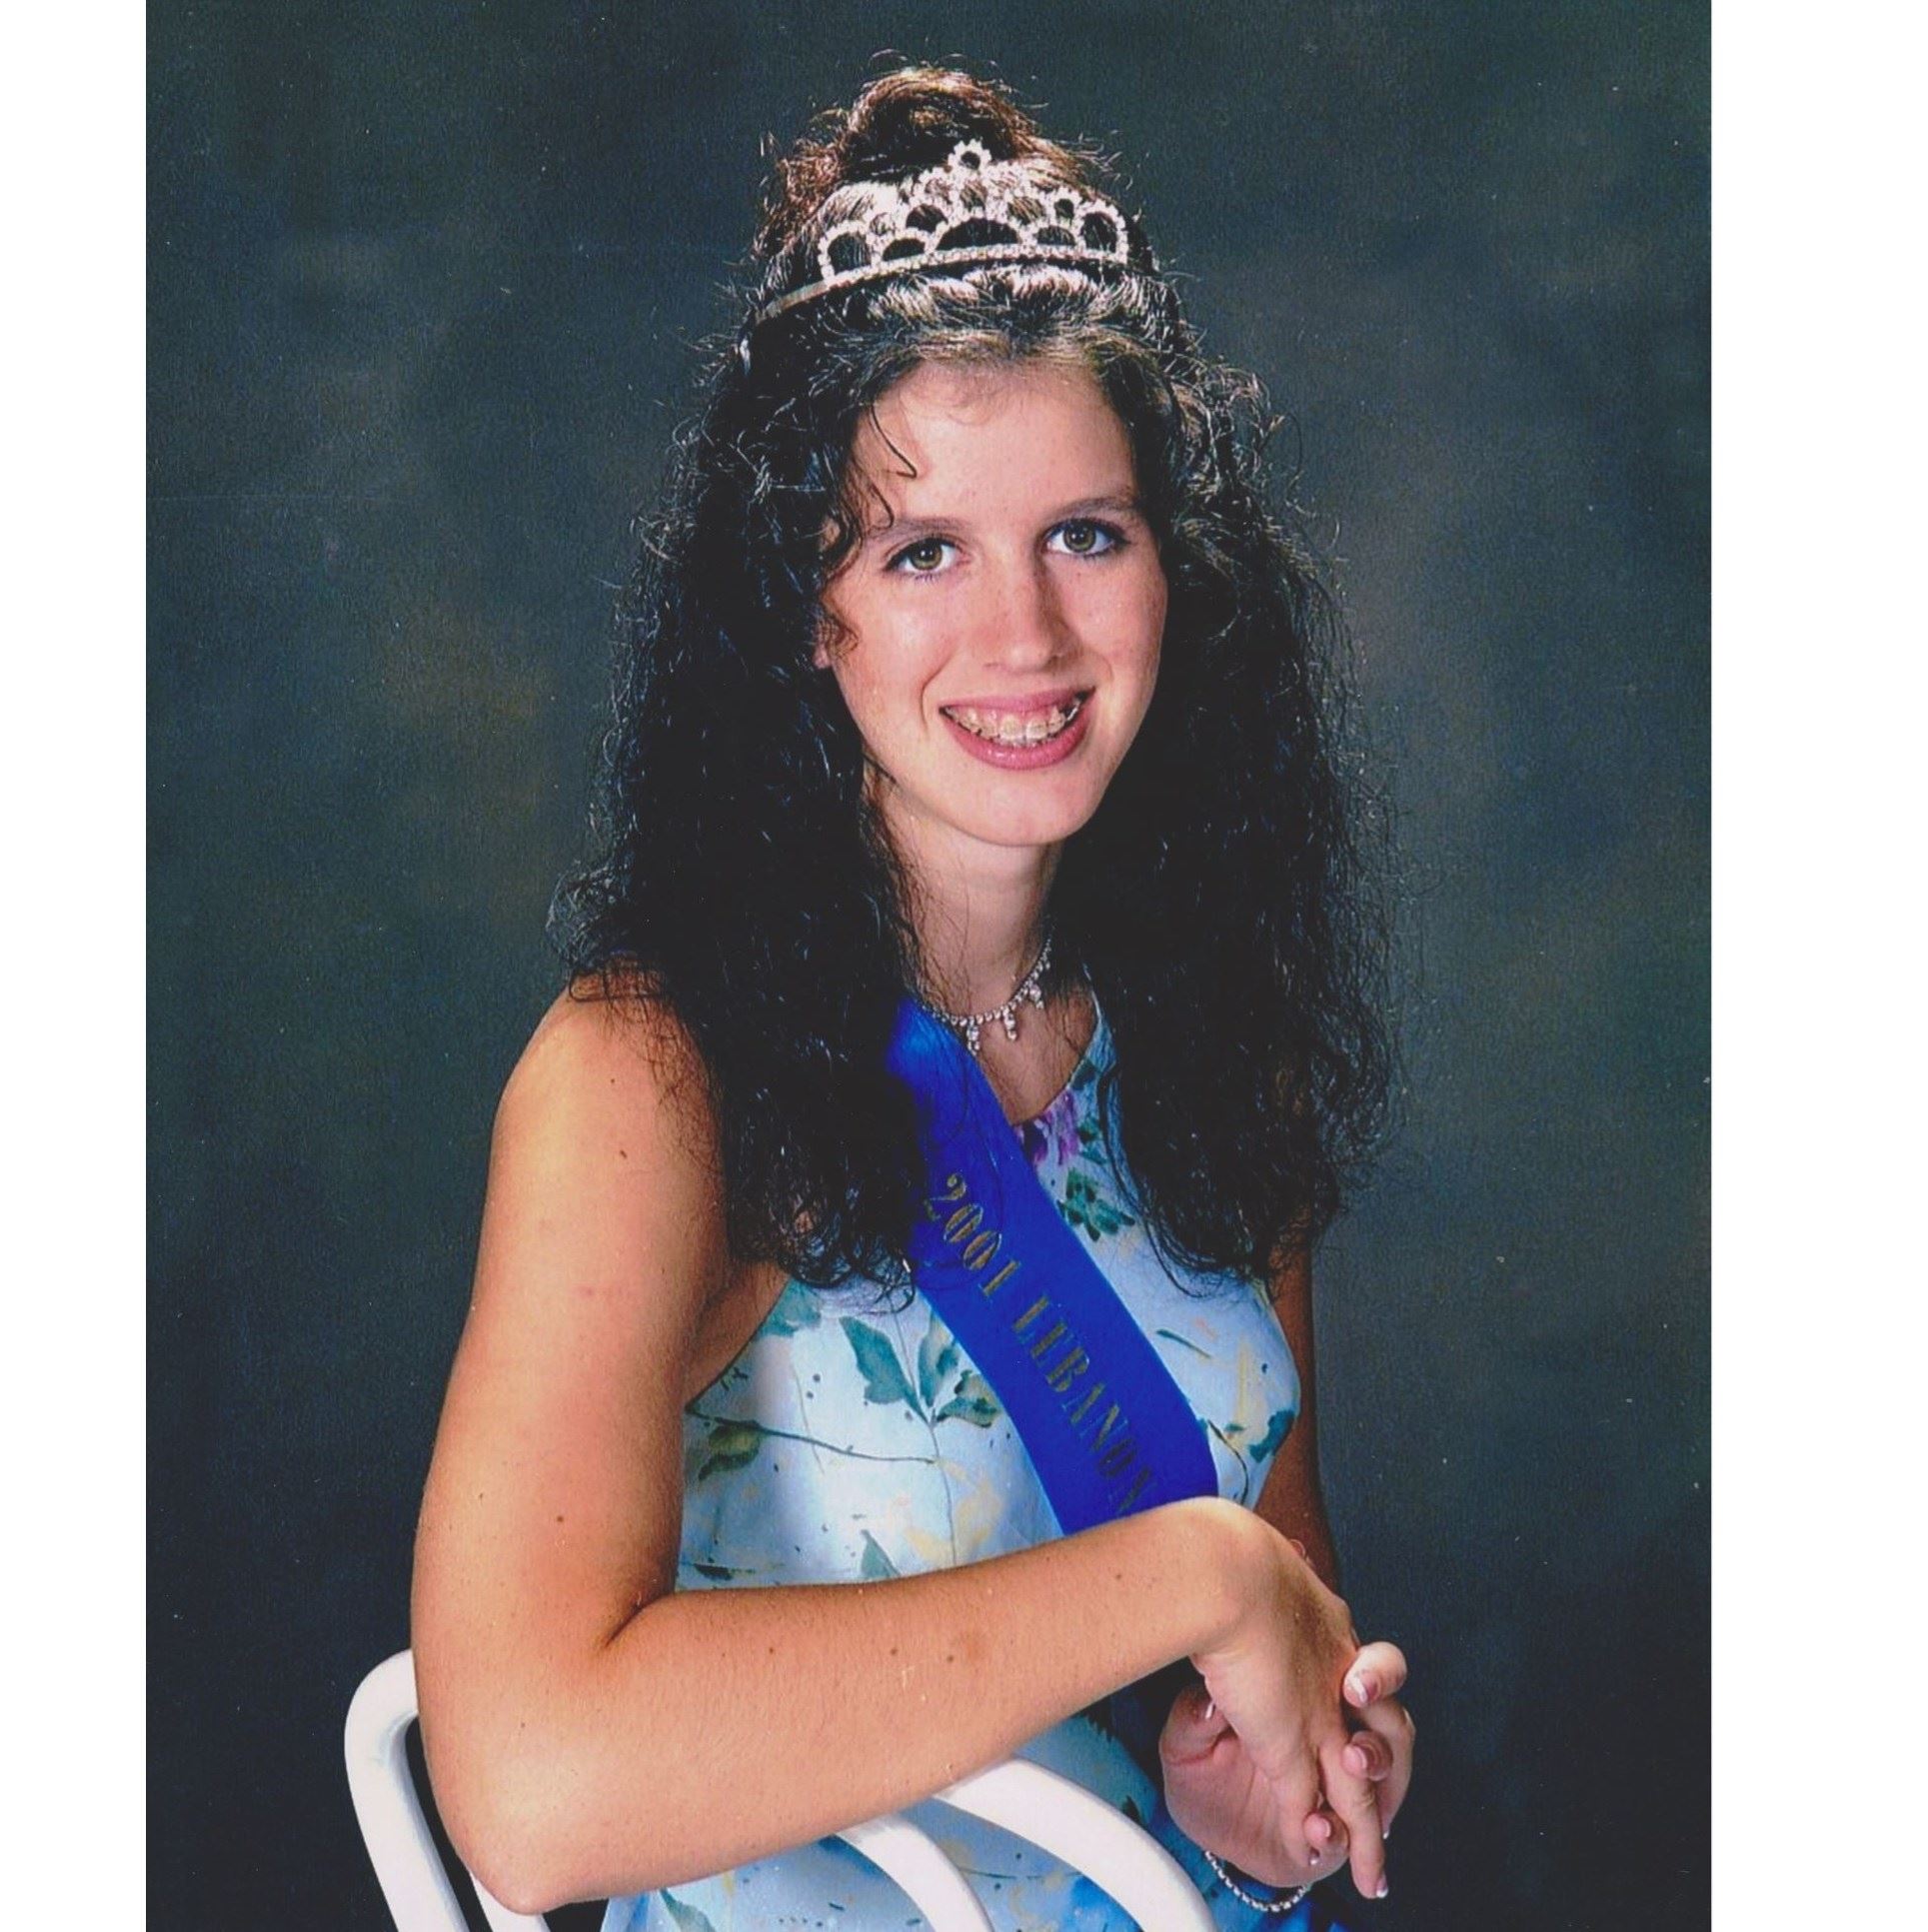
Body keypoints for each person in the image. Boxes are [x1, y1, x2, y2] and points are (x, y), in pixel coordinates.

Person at [412, 66, 1413, 1932]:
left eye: (1087, 535)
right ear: (809, 605)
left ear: (1174, 575)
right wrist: (1188, 1574)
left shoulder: (1215, 1057)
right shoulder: (649, 1079)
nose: (1022, 635)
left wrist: (1273, 1787)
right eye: (923, 549)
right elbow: (530, 1793)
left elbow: (1257, 1679)